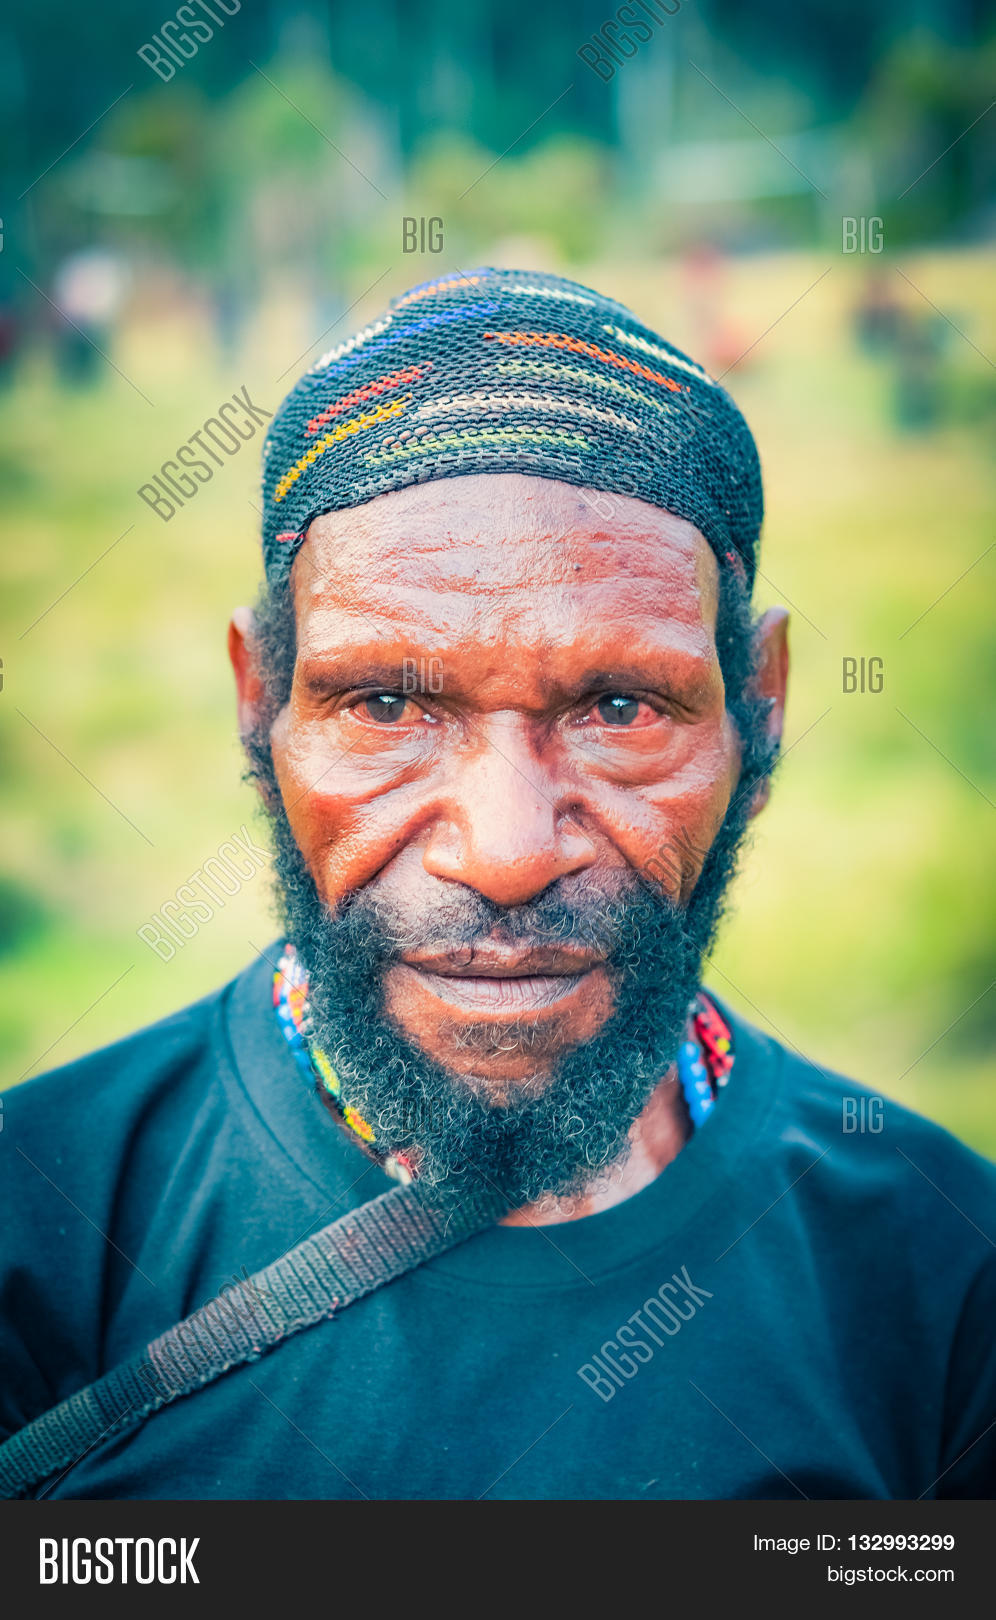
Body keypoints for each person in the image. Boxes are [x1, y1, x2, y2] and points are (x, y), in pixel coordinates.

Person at [2, 268, 993, 1500]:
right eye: (385, 706)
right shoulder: (37, 1229)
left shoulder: (945, 1277)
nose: (509, 852)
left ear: (761, 708)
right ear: (261, 704)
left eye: (620, 707)